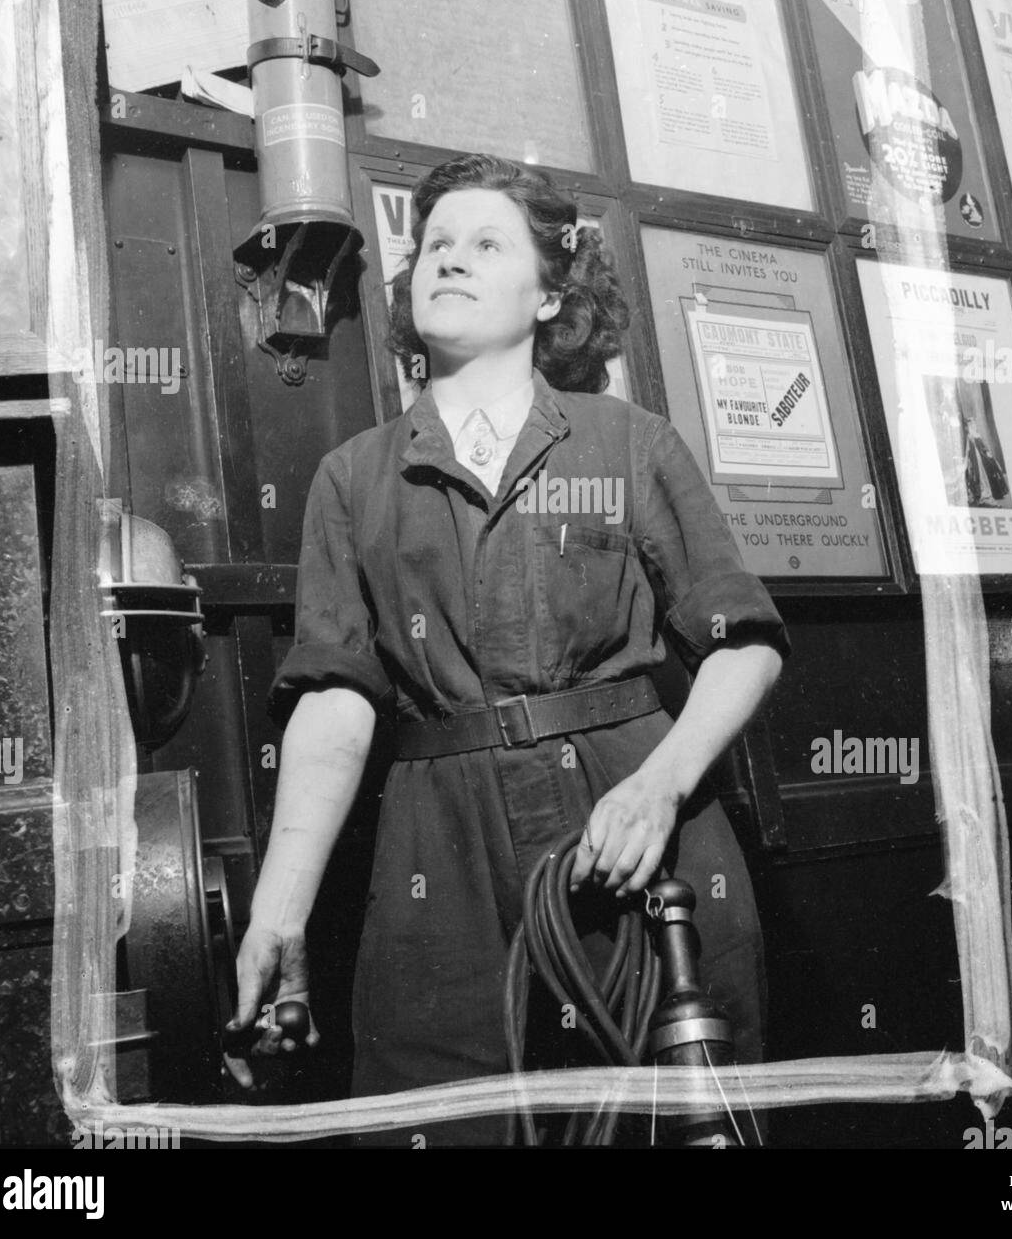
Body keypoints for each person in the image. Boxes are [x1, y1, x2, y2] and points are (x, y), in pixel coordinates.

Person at [224, 153, 791, 1145]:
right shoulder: (352, 480)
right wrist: (282, 906)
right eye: (435, 243)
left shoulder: (629, 444)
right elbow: (335, 699)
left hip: (638, 838)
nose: (448, 259)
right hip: (437, 860)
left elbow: (745, 645)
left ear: (547, 295)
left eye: (486, 243)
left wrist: (659, 788)